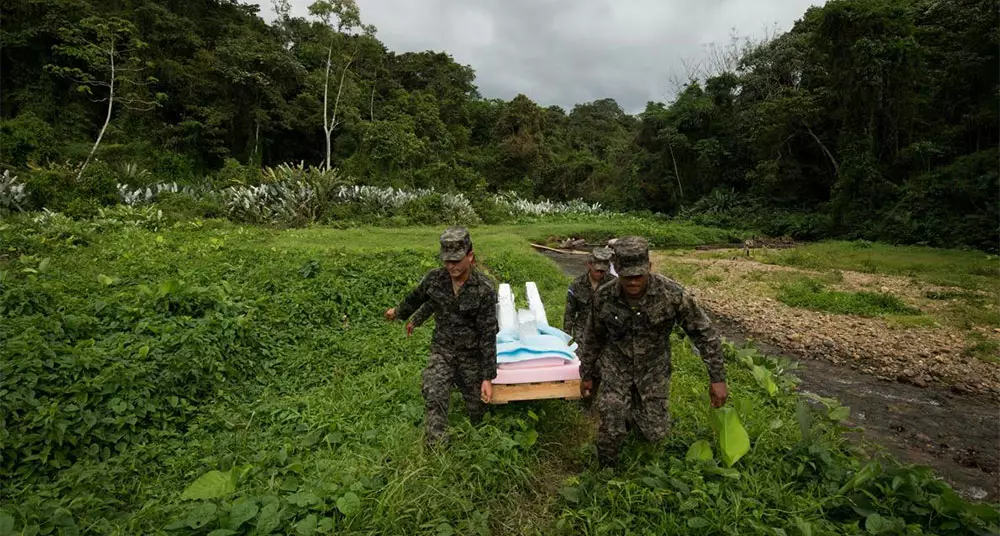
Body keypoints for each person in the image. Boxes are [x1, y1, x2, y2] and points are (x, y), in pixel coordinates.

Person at [579, 236, 729, 467]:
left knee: (654, 433)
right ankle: (607, 474)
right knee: (611, 424)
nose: (633, 282)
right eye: (627, 277)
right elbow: (592, 337)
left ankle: (639, 435)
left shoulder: (672, 295)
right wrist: (587, 374)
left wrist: (717, 378)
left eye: (639, 275)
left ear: (649, 267)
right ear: (617, 270)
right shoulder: (604, 296)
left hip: (653, 370)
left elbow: (704, 334)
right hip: (615, 367)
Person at [384, 227, 499, 447]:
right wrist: (398, 312)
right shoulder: (435, 279)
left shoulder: (484, 289)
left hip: (471, 355)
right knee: (433, 391)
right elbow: (416, 298)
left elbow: (488, 335)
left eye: (456, 260)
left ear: (470, 256)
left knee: (478, 410)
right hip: (443, 349)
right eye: (447, 261)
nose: (451, 266)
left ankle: (477, 441)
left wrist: (487, 377)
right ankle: (437, 448)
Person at [563, 247, 617, 405]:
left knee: (601, 367)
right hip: (583, 331)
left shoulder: (614, 284)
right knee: (582, 364)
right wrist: (566, 336)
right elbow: (570, 312)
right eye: (597, 270)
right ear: (589, 265)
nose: (600, 274)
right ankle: (581, 397)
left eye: (603, 271)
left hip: (606, 331)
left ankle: (593, 397)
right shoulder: (577, 284)